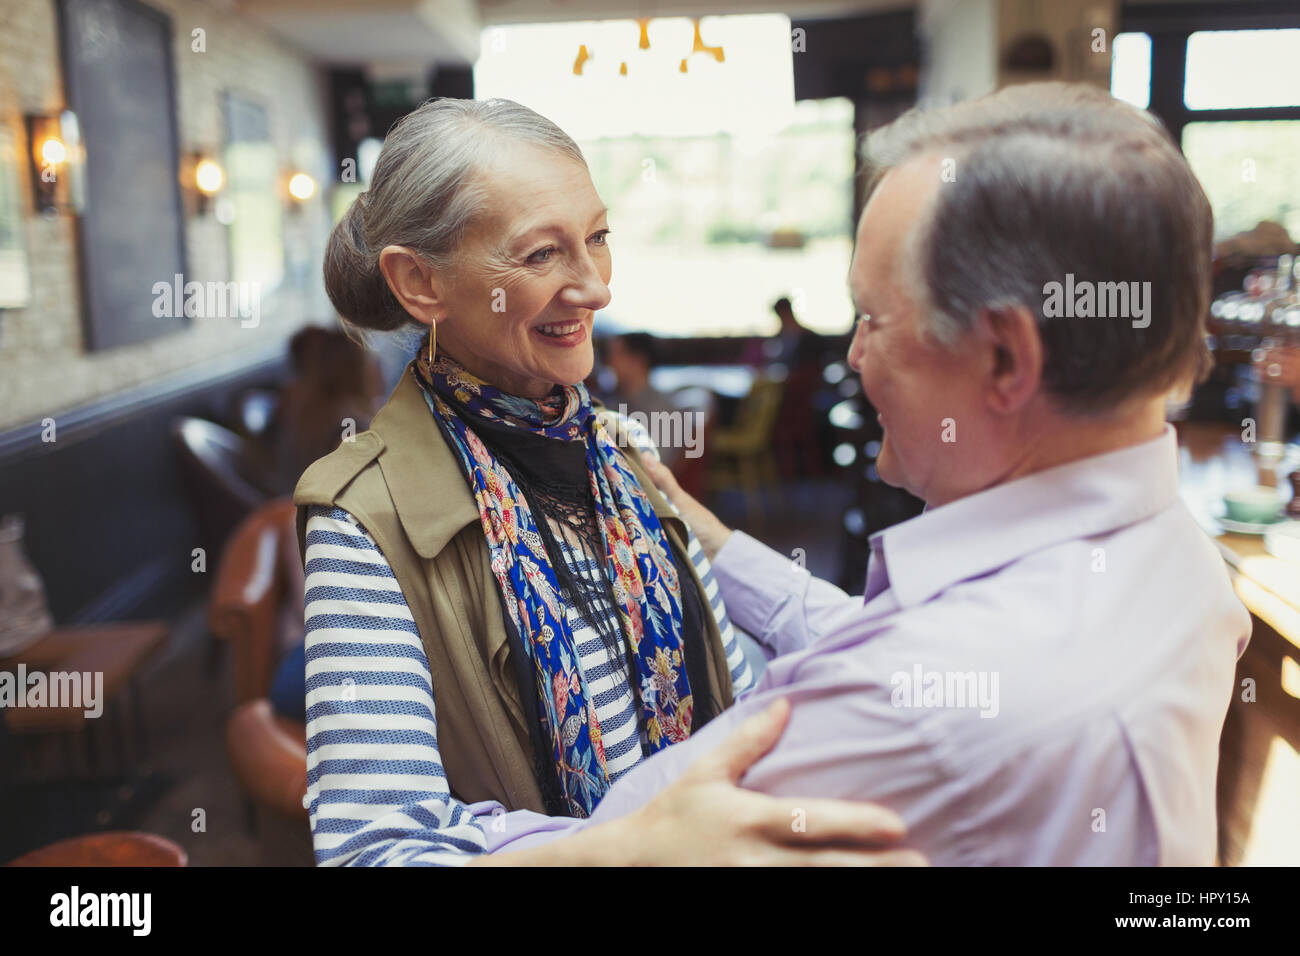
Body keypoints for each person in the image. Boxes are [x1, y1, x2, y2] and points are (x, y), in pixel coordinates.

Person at [474, 82, 1253, 866]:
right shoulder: (1178, 560)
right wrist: (709, 539)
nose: (852, 356)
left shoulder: (909, 711)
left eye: (874, 319)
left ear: (1006, 358)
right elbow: (912, 649)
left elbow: (631, 834)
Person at [294, 97, 918, 866]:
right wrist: (637, 848)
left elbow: (732, 700)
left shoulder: (614, 452)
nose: (595, 288)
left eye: (597, 238)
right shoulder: (362, 520)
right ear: (420, 282)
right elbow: (374, 852)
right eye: (540, 255)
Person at [601, 333, 683, 467]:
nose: (609, 362)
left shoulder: (662, 411)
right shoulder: (611, 400)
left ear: (638, 361)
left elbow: (652, 468)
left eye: (616, 355)